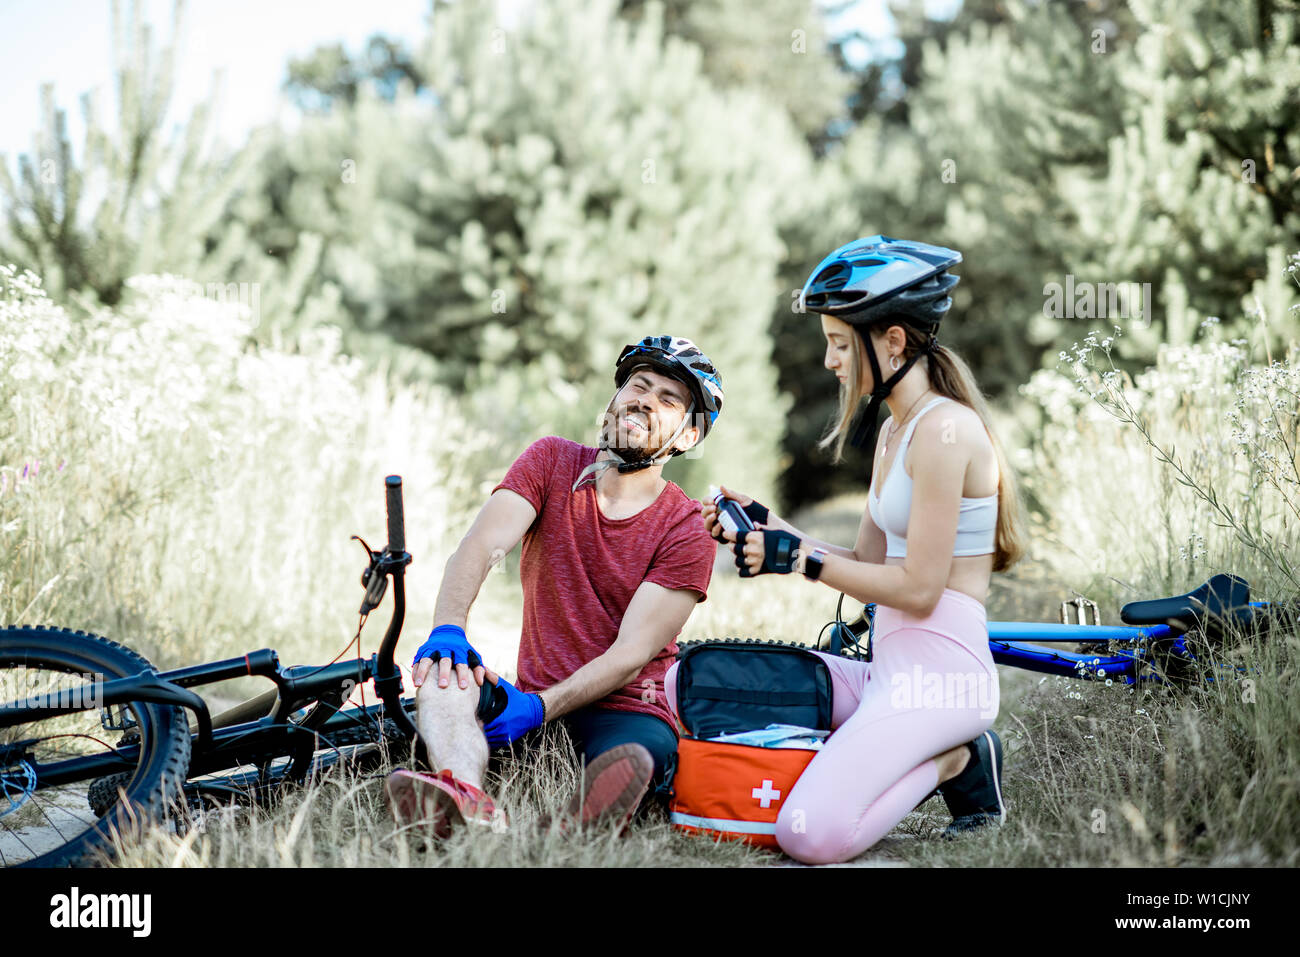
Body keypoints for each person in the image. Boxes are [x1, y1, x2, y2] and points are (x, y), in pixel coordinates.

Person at [669, 236, 1027, 864]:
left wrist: (798, 559)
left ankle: (954, 758)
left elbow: (918, 588)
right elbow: (865, 564)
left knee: (808, 833)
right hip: (887, 672)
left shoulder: (946, 431)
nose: (830, 361)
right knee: (688, 684)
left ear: (892, 341)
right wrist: (768, 524)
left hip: (941, 683)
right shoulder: (894, 428)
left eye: (840, 342)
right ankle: (888, 748)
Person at [385, 335, 723, 836]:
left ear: (688, 438)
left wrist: (538, 707)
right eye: (638, 385)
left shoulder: (686, 526)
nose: (645, 400)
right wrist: (449, 632)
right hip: (533, 700)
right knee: (443, 676)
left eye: (668, 400)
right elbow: (481, 545)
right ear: (613, 399)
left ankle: (569, 826)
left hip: (624, 709)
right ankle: (466, 799)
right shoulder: (551, 461)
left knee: (636, 757)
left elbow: (631, 653)